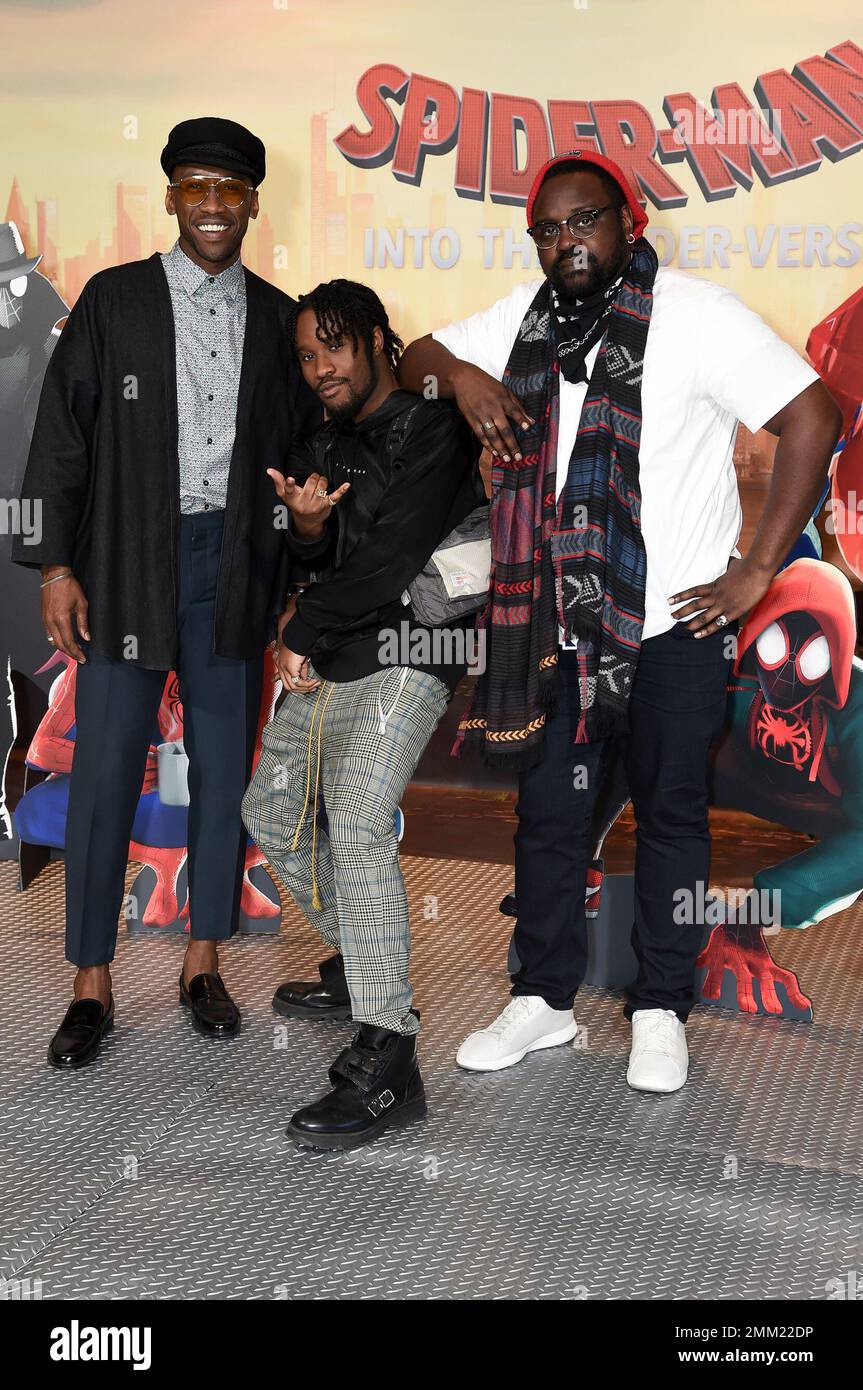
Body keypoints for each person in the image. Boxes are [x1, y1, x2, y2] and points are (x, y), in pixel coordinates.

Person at [398, 150, 841, 1093]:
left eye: (585, 220)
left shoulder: (694, 313)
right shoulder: (520, 322)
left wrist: (757, 569)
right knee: (548, 818)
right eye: (549, 228)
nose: (568, 241)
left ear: (627, 221)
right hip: (557, 628)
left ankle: (658, 1010)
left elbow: (812, 413)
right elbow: (415, 359)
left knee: (672, 817)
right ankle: (542, 1001)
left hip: (672, 629)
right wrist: (468, 383)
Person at [13, 116, 318, 1068]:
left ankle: (202, 961)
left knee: (223, 771)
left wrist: (300, 571)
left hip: (234, 571)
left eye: (231, 188)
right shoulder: (114, 302)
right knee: (104, 770)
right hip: (125, 564)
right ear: (173, 196)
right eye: (196, 185)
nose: (215, 205)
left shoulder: (280, 318)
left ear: (253, 201)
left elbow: (306, 454)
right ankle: (91, 984)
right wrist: (58, 566)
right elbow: (62, 439)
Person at [242, 278, 485, 1148]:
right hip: (334, 648)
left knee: (353, 820)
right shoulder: (322, 439)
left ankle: (390, 1050)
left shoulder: (432, 427)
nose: (320, 368)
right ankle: (366, 963)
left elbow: (391, 558)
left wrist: (299, 630)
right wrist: (304, 528)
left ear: (382, 340)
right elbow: (330, 551)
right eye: (306, 355)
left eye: (335, 346)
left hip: (410, 653)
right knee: (267, 808)